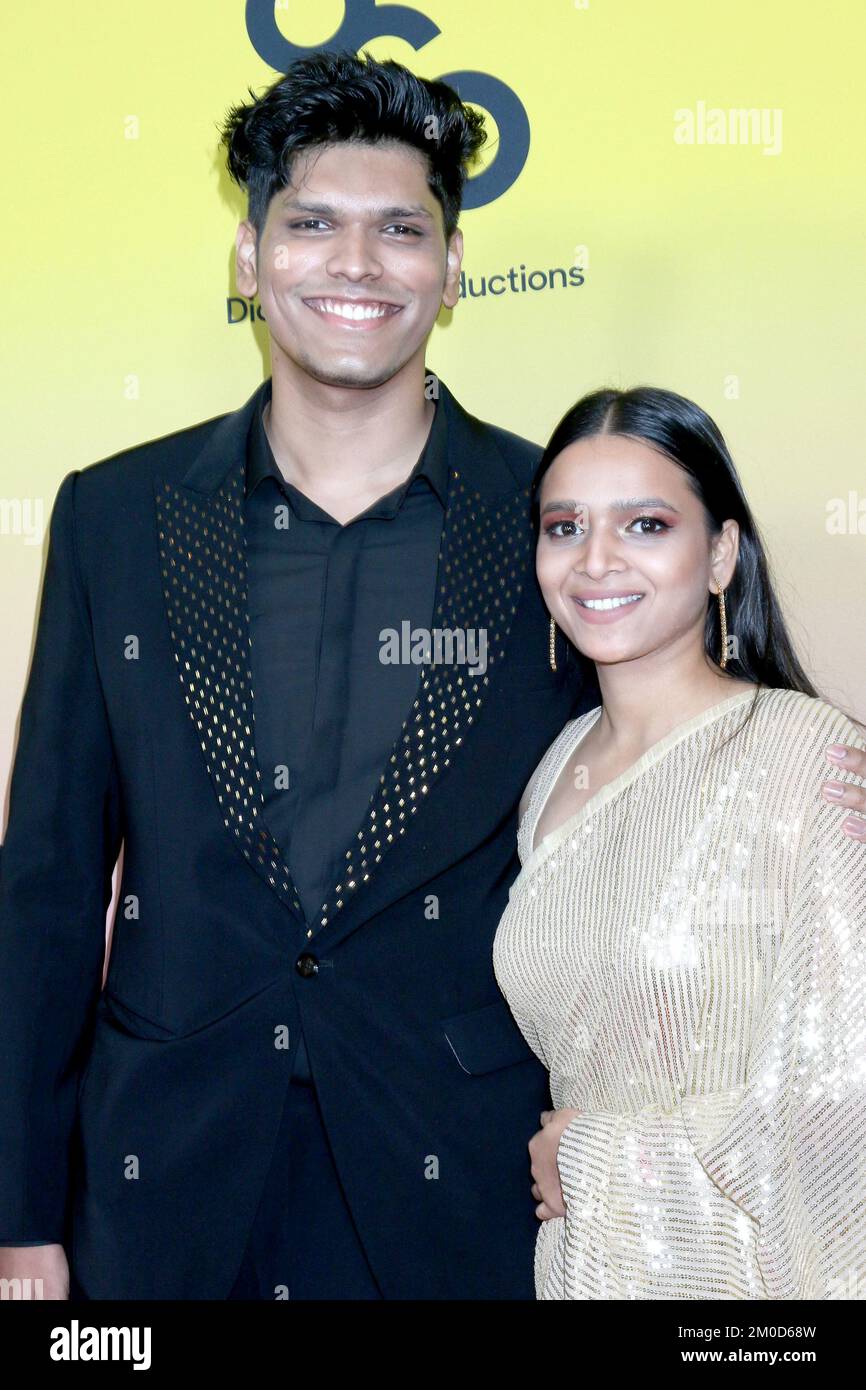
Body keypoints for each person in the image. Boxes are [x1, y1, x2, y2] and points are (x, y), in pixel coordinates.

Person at [0, 52, 862, 1303]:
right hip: (156, 1186)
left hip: (465, 1186)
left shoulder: (558, 528)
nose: (356, 264)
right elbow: (48, 890)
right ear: (249, 258)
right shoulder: (114, 515)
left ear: (451, 271)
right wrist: (20, 1213)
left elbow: (658, 826)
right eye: (313, 225)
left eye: (401, 229)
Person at [492, 386, 866, 1299]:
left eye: (647, 525)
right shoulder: (552, 770)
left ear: (721, 554)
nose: (596, 561)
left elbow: (843, 1101)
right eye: (564, 526)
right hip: (583, 1270)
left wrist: (594, 1157)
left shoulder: (811, 756)